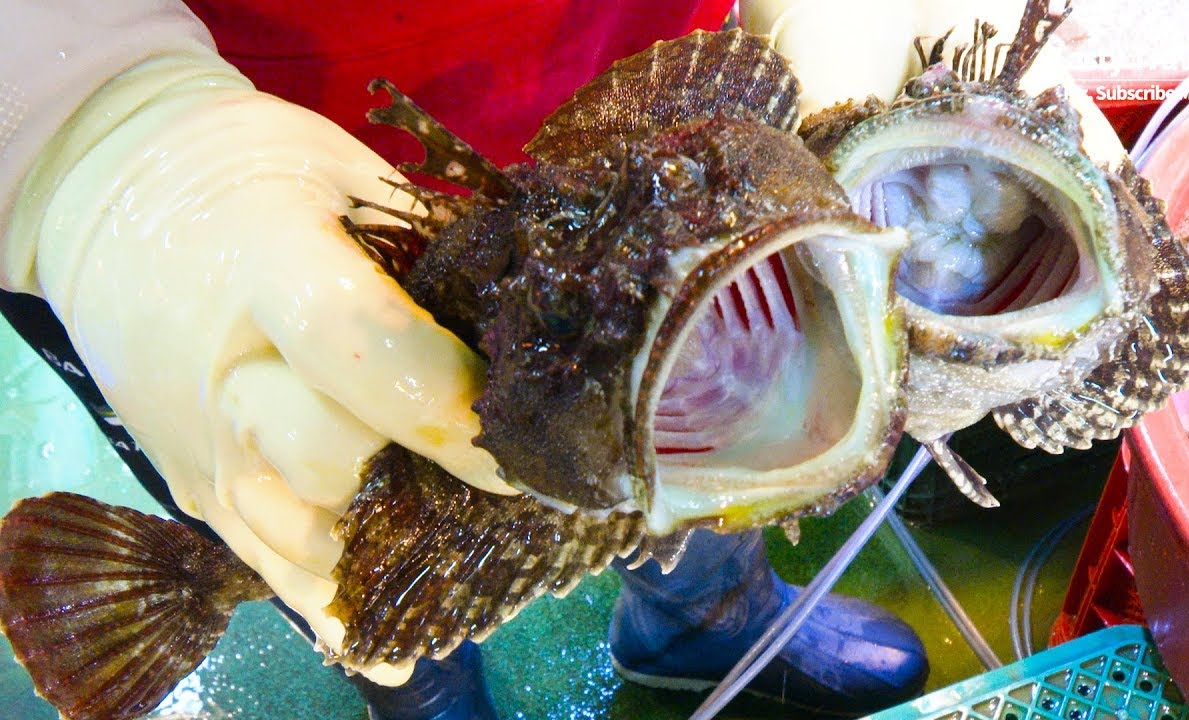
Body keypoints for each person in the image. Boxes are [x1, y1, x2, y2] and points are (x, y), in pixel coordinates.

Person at [0, 1, 1075, 718]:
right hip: (241, 198)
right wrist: (82, 128)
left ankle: (705, 618)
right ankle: (426, 697)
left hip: (659, 91)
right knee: (305, 477)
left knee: (723, 447)